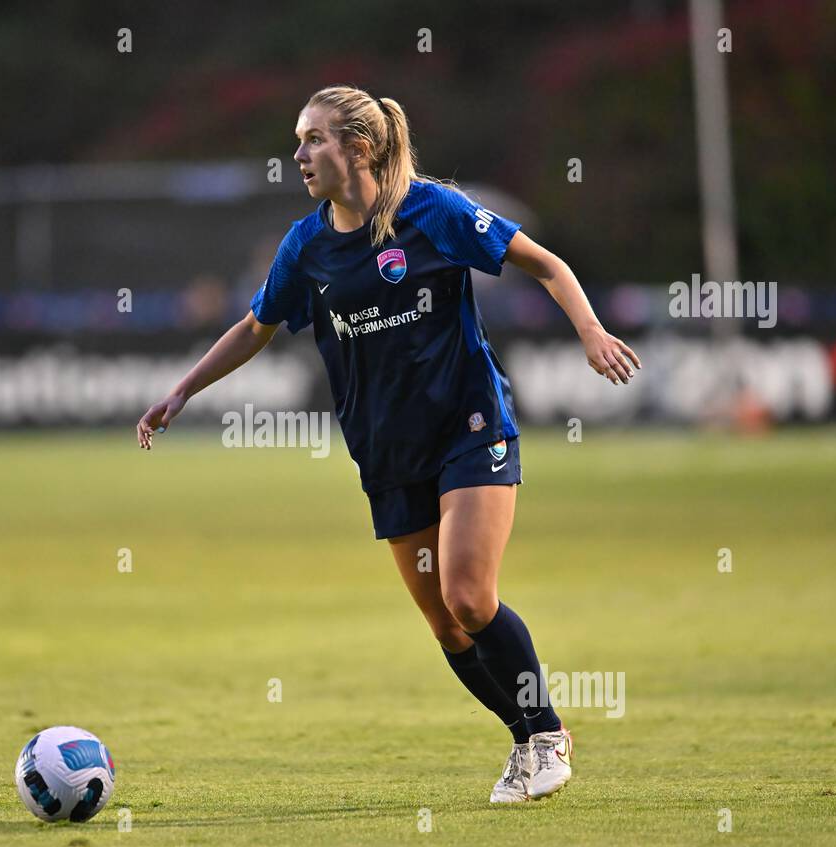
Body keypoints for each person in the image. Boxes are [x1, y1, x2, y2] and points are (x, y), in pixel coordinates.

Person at [137, 87, 641, 803]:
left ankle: (547, 732)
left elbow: (546, 264)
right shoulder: (305, 247)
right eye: (297, 140)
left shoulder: (433, 211)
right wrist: (183, 389)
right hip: (386, 455)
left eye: (314, 139)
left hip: (469, 427)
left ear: (360, 149)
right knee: (445, 624)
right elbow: (256, 326)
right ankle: (526, 739)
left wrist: (589, 331)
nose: (300, 154)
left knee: (469, 596)